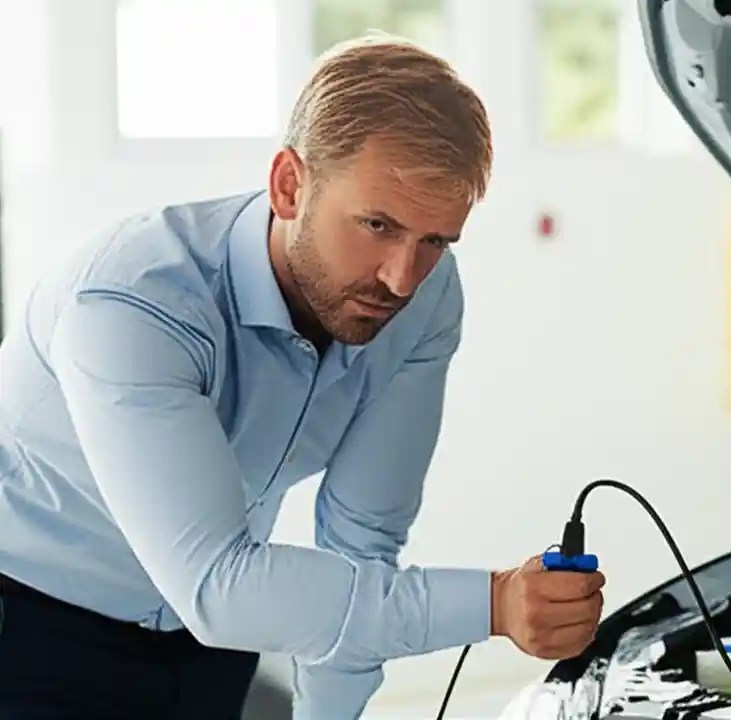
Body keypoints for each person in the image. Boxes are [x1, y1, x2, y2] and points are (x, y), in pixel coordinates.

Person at [0, 34, 605, 719]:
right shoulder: (134, 306)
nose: (402, 278)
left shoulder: (425, 299)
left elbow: (363, 542)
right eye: (378, 225)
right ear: (290, 185)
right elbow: (219, 585)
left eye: (435, 240)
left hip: (210, 649)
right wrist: (493, 604)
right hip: (31, 629)